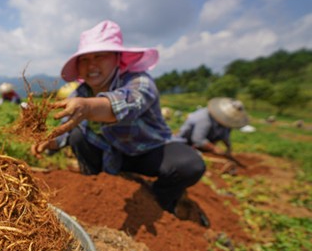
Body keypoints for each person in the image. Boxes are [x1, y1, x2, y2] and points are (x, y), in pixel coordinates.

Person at [31, 20, 205, 213]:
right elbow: (66, 127)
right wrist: (50, 142)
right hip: (110, 153)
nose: (92, 65)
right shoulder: (80, 92)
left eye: (99, 56)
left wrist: (88, 107)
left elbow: (125, 104)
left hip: (148, 151)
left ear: (117, 58)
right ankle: (94, 187)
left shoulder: (140, 81)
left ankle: (160, 201)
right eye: (85, 59)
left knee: (190, 165)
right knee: (77, 136)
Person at [176, 98, 249, 156]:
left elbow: (225, 135)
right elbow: (198, 139)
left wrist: (228, 147)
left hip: (202, 147)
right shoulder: (203, 118)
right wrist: (214, 148)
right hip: (185, 144)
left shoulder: (224, 122)